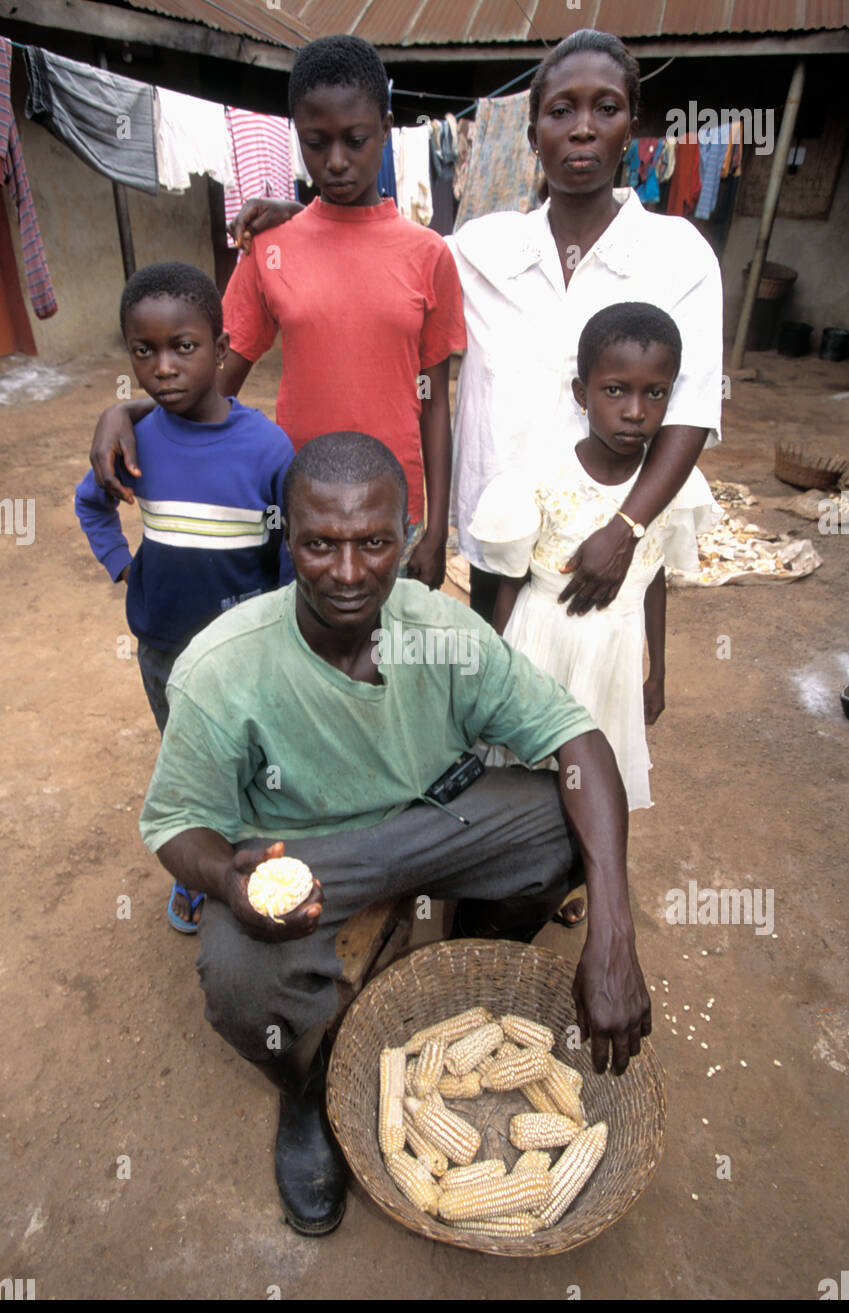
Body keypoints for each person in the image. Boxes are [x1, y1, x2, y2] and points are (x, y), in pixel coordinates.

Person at [138, 430, 652, 1236]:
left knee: (564, 821)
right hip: (303, 861)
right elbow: (176, 824)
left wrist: (614, 932)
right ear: (287, 536)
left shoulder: (440, 630)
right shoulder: (223, 666)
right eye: (320, 544)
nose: (347, 573)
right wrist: (227, 879)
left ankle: (466, 977)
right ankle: (304, 1096)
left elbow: (578, 742)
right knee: (238, 987)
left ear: (409, 536)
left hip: (434, 822)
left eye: (374, 543)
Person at [225, 28, 722, 624]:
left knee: (592, 694)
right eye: (561, 110)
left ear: (632, 122)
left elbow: (691, 413)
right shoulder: (483, 249)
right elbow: (380, 254)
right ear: (533, 134)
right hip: (503, 536)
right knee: (492, 691)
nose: (583, 127)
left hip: (609, 534)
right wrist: (307, 220)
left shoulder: (679, 254)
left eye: (606, 108)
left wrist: (627, 527)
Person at [88, 34, 466, 590]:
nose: (335, 162)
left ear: (385, 128)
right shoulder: (271, 248)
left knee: (388, 662)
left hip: (391, 508)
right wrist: (129, 412)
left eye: (355, 140)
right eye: (315, 143)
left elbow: (434, 404)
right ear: (295, 135)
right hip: (295, 501)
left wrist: (435, 530)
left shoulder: (428, 254)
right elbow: (212, 382)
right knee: (299, 662)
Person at [75, 261, 295, 930]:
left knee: (254, 758)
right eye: (144, 351)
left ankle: (260, 858)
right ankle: (199, 873)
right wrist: (125, 567)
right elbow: (92, 506)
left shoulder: (267, 448)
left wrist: (282, 632)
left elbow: (288, 551)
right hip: (166, 647)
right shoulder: (134, 441)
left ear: (222, 349)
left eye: (183, 347)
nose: (163, 367)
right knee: (186, 760)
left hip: (243, 654)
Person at [470, 302, 721, 812]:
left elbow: (653, 578)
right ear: (581, 394)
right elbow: (511, 582)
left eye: (656, 393)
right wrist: (499, 671)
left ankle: (579, 882)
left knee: (597, 785)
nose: (635, 411)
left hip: (615, 656)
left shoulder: (673, 487)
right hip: (540, 646)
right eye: (615, 390)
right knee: (528, 773)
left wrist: (658, 672)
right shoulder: (539, 479)